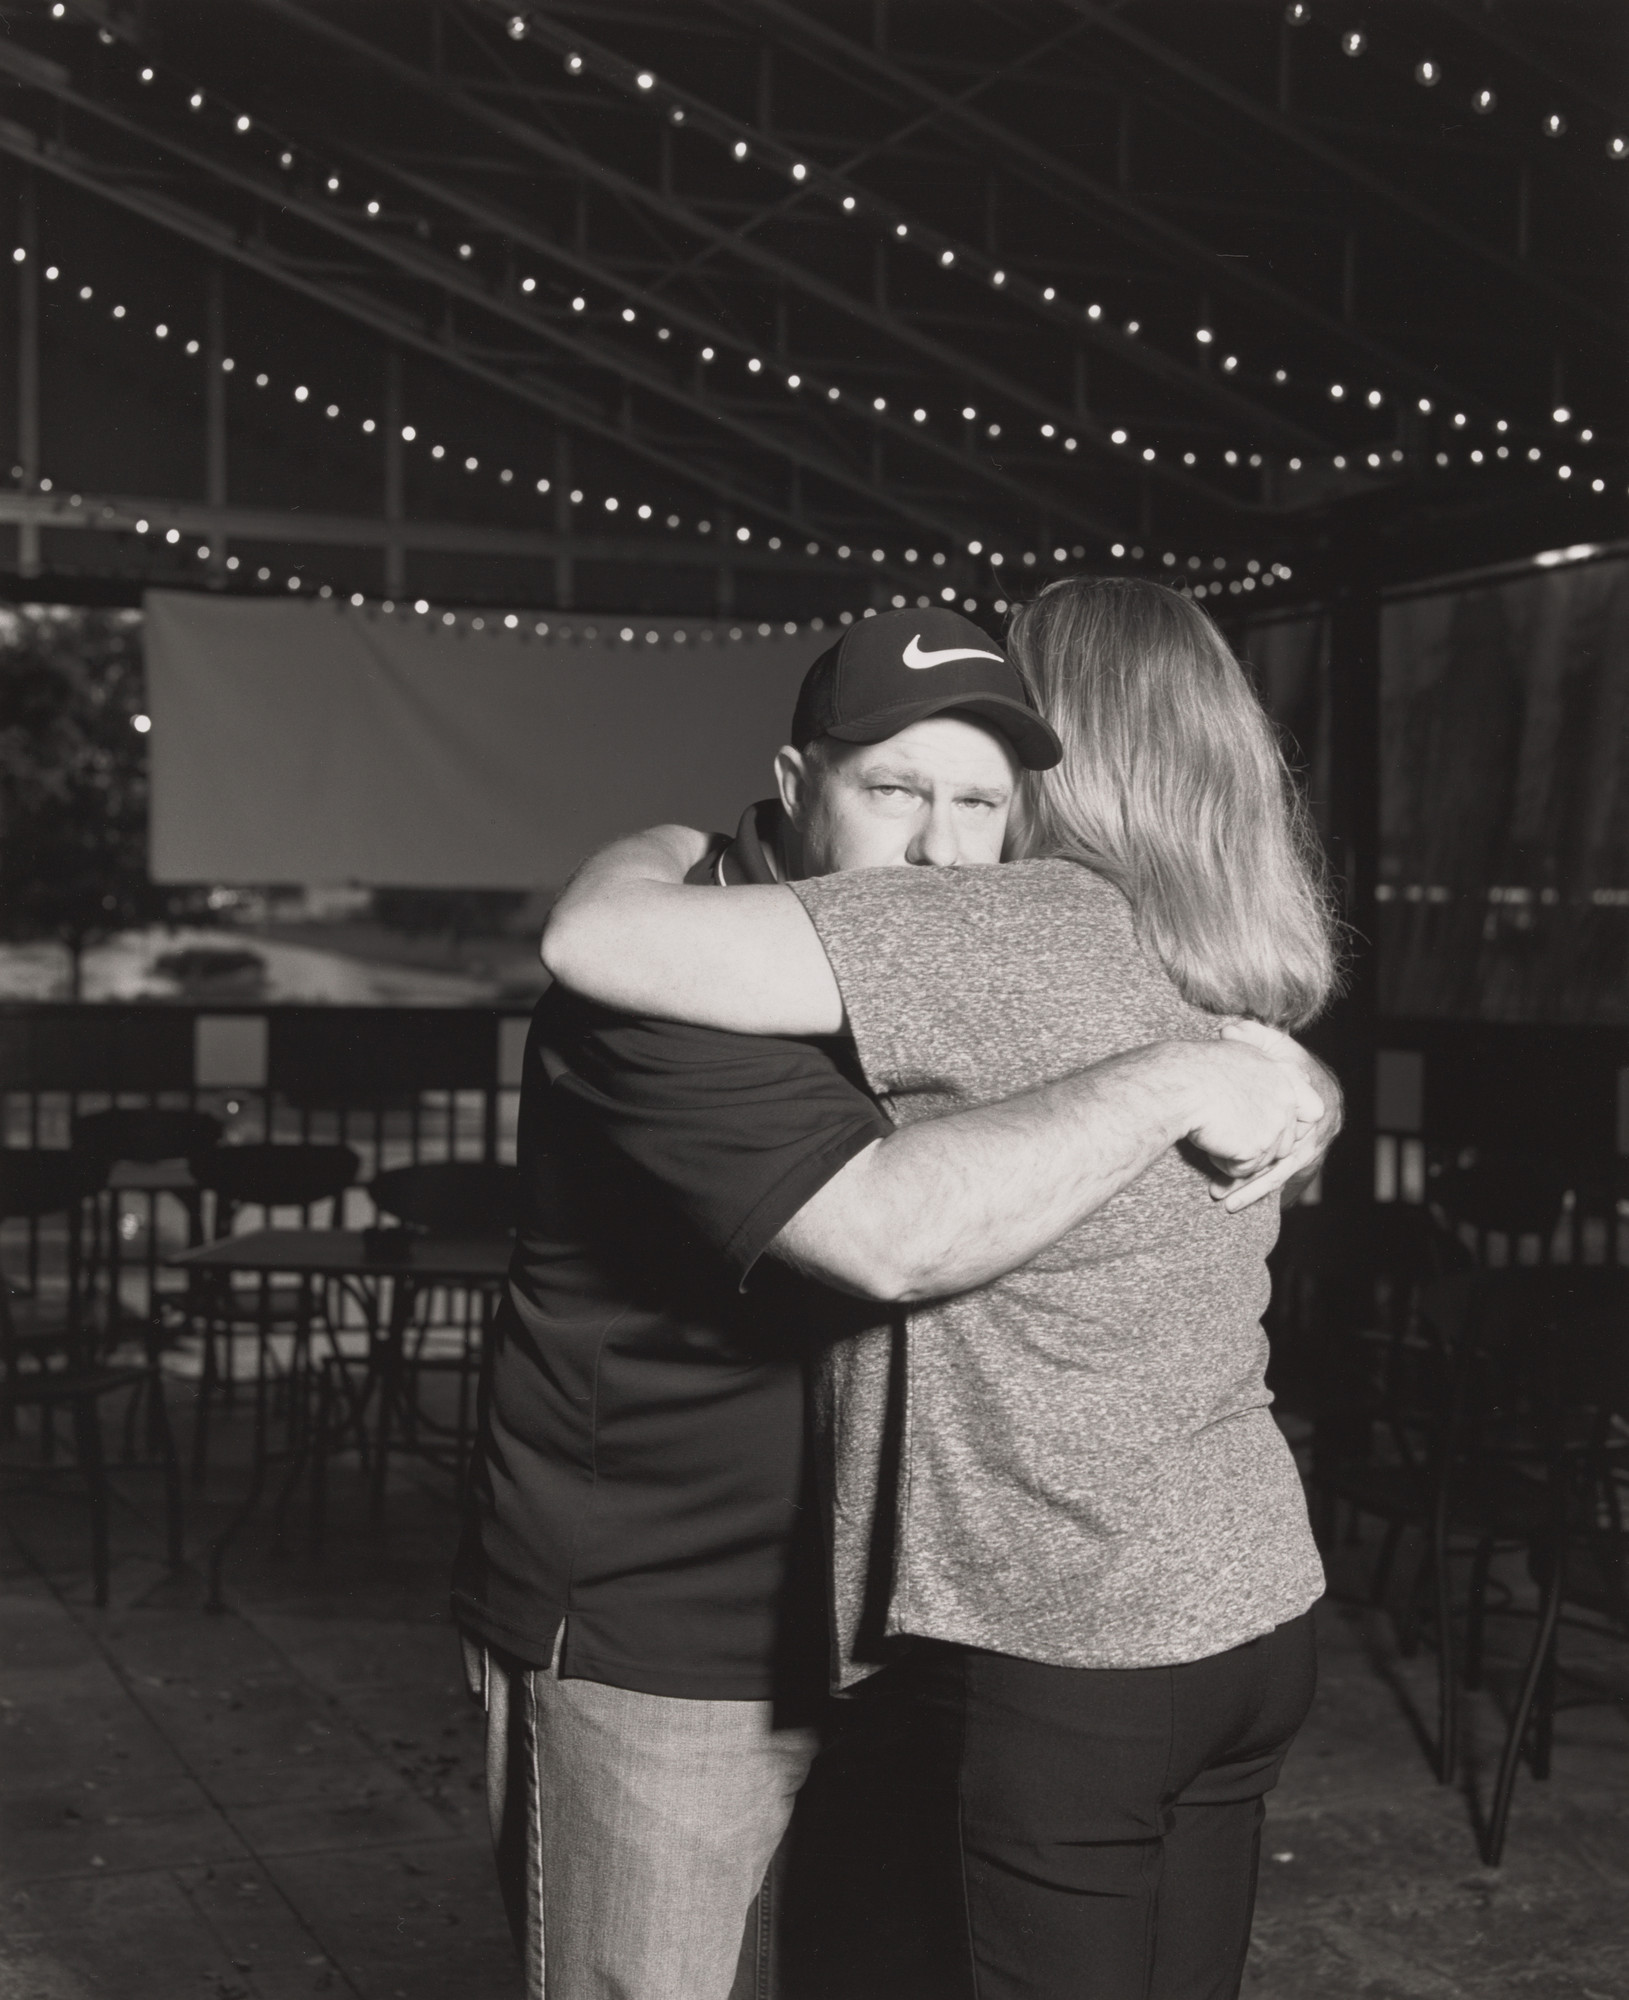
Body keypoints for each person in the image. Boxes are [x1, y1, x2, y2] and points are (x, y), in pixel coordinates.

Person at [467, 605, 1335, 2000]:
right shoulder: (692, 977)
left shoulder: (1021, 946)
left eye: (980, 801)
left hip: (915, 1621)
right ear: (797, 782)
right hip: (680, 1628)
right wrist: (1185, 1080)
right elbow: (885, 1231)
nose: (939, 848)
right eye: (893, 791)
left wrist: (1277, 1083)